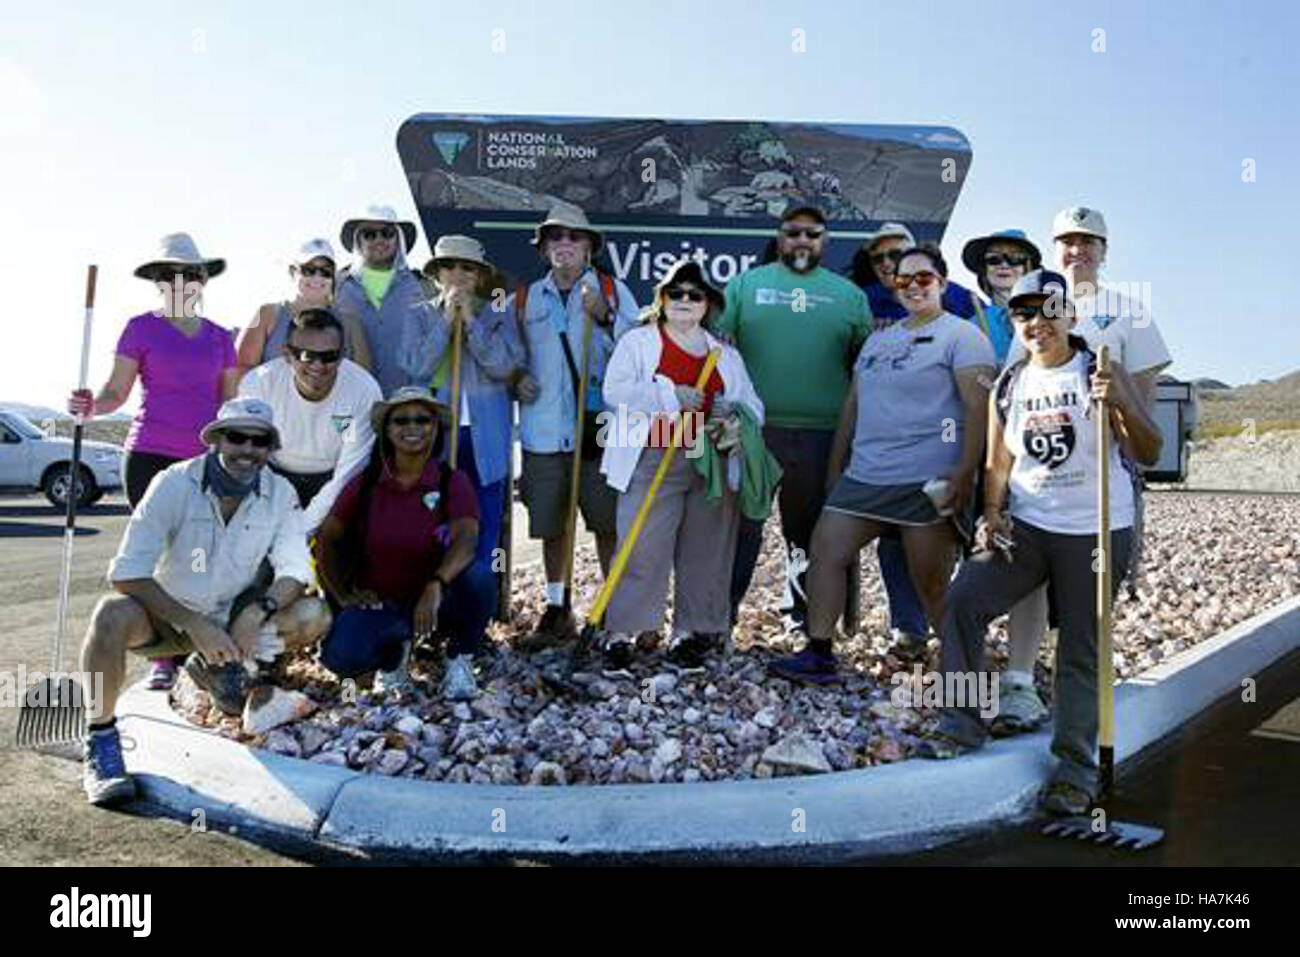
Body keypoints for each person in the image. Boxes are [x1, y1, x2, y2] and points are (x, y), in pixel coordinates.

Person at [920, 269, 1161, 817]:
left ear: (1070, 315)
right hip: (1027, 528)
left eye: (1049, 309)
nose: (1037, 322)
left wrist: (1120, 400)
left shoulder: (1099, 370)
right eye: (1024, 313)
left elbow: (1149, 448)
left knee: (1080, 643)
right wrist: (991, 512)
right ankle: (961, 724)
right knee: (964, 600)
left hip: (1096, 530)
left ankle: (1075, 769)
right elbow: (998, 462)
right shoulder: (1011, 383)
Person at [78, 398, 332, 806]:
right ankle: (102, 740)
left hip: (233, 620)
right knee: (110, 614)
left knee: (313, 613)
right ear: (216, 440)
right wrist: (192, 623)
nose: (248, 450)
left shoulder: (280, 493)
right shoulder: (173, 483)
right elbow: (127, 572)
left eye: (260, 441)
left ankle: (220, 667)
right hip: (167, 614)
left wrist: (257, 611)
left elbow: (295, 569)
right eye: (237, 437)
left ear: (270, 449)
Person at [769, 244, 995, 683]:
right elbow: (852, 408)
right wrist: (837, 470)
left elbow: (980, 412)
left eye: (923, 278)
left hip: (925, 480)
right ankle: (819, 652)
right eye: (903, 279)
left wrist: (964, 476)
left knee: (930, 584)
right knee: (825, 551)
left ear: (943, 284)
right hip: (865, 476)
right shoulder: (878, 340)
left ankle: (967, 672)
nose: (912, 286)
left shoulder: (963, 337)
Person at [992, 207, 1173, 735]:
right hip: (1038, 473)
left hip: (1102, 472)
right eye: (1068, 242)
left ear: (1104, 251)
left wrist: (1119, 421)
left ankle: (1078, 694)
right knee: (1028, 579)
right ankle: (1020, 683)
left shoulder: (1128, 310)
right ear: (1056, 249)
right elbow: (1013, 388)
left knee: (1087, 591)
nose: (1079, 251)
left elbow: (1144, 394)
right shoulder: (1031, 306)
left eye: (1089, 242)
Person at [68, 232, 240, 692]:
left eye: (189, 273)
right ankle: (162, 659)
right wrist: (91, 407)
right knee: (160, 556)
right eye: (169, 275)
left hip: (205, 462)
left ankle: (187, 650)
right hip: (148, 455)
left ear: (203, 280)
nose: (179, 281)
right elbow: (115, 393)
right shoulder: (139, 328)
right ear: (158, 282)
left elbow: (230, 405)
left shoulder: (222, 338)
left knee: (200, 555)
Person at [598, 261, 768, 671]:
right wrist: (670, 395)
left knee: (705, 550)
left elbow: (755, 407)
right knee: (641, 546)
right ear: (662, 298)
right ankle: (621, 634)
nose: (686, 301)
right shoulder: (637, 342)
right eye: (677, 293)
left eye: (696, 295)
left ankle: (689, 634)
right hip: (653, 457)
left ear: (709, 304)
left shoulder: (724, 354)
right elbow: (614, 391)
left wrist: (736, 416)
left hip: (710, 463)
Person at [715, 204, 874, 634]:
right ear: (780, 238)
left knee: (805, 534)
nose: (803, 240)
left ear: (825, 242)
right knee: (742, 529)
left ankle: (804, 616)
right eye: (793, 233)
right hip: (755, 431)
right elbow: (718, 347)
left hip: (822, 434)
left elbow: (866, 365)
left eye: (812, 234)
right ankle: (720, 617)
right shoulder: (745, 286)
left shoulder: (849, 296)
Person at [507, 202, 639, 646]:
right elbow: (512, 355)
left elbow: (642, 351)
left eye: (574, 237)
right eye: (555, 237)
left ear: (588, 247)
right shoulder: (524, 298)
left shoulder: (613, 291)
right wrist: (516, 377)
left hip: (598, 430)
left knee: (606, 524)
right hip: (544, 432)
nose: (565, 244)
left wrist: (604, 314)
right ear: (544, 247)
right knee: (552, 526)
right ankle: (558, 608)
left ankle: (611, 611)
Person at [313, 387, 497, 701]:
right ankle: (394, 655)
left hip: (440, 601)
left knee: (481, 577)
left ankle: (459, 657)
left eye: (422, 420)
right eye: (401, 420)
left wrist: (436, 584)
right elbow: (326, 540)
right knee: (341, 658)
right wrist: (343, 594)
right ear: (387, 428)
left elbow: (467, 539)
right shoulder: (366, 482)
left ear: (435, 427)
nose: (412, 427)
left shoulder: (452, 481)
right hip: (383, 602)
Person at [399, 235, 523, 569]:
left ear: (480, 276)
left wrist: (470, 323)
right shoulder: (418, 316)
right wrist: (445, 323)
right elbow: (416, 367)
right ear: (436, 275)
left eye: (467, 268)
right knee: (434, 526)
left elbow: (504, 367)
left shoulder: (498, 313)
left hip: (487, 438)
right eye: (448, 267)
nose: (457, 274)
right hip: (436, 436)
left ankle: (477, 607)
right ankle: (438, 603)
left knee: (483, 533)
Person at [237, 308, 382, 533]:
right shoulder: (259, 385)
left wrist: (300, 532)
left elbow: (349, 471)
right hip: (272, 478)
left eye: (329, 356)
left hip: (334, 480)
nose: (317, 365)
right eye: (306, 355)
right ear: (286, 354)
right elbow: (248, 456)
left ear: (342, 354)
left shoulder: (363, 390)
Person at [234, 238, 372, 381]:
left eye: (325, 272)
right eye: (309, 270)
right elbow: (240, 369)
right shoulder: (265, 314)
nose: (317, 278)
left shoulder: (352, 325)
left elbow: (365, 381)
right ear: (293, 271)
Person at [334, 204, 430, 396]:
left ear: (398, 239)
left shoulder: (425, 286)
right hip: (350, 397)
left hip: (408, 401)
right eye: (369, 234)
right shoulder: (335, 286)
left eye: (387, 233)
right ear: (358, 241)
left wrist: (499, 300)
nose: (379, 240)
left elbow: (496, 292)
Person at [849, 222, 984, 326]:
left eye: (895, 255)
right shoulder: (861, 299)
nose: (886, 263)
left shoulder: (958, 296)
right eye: (877, 258)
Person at [960, 228, 1041, 366]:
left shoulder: (1051, 314)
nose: (1004, 265)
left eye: (1015, 258)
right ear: (984, 270)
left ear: (1028, 267)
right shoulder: (970, 328)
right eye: (994, 259)